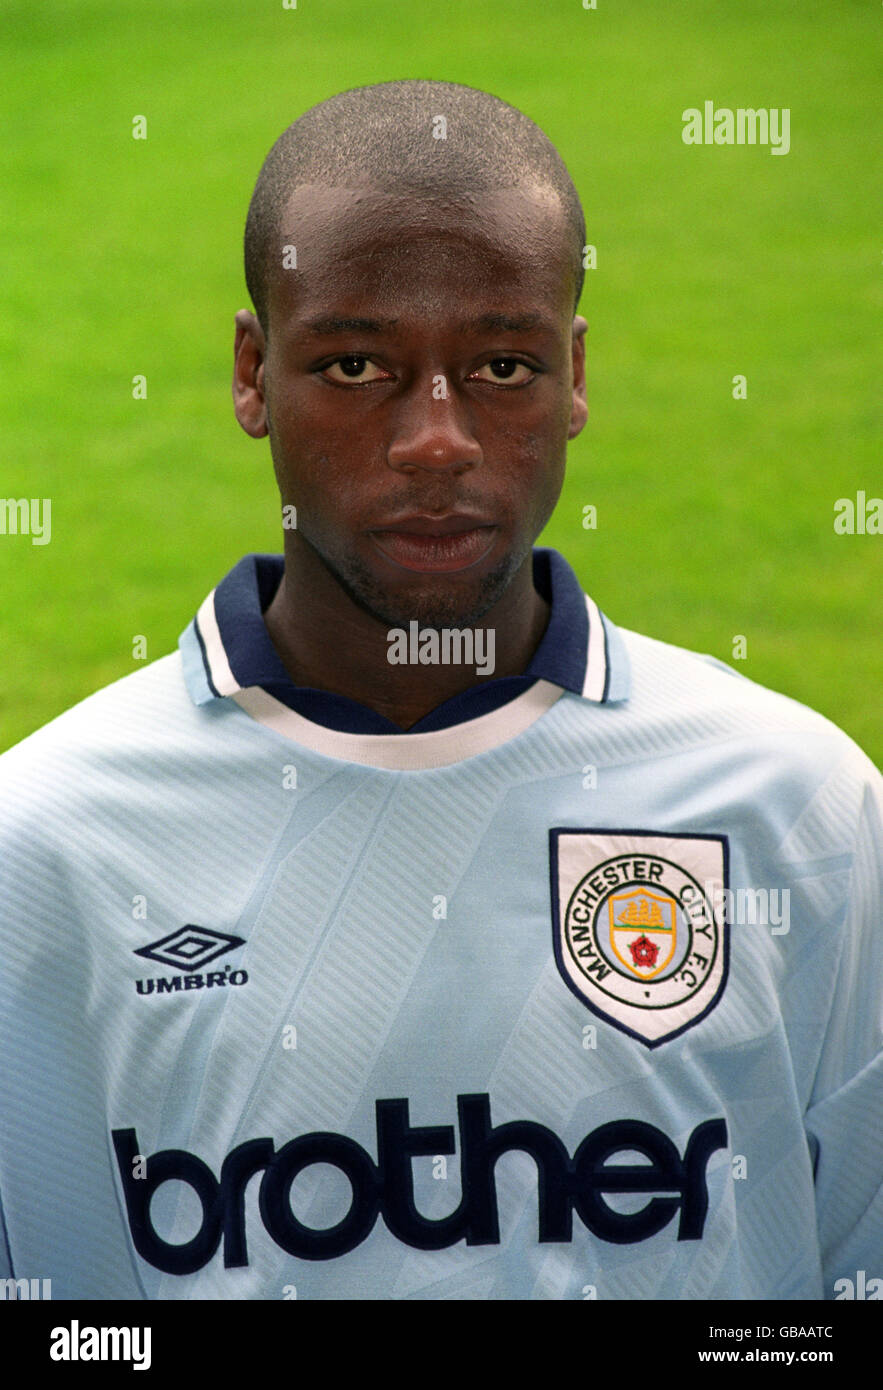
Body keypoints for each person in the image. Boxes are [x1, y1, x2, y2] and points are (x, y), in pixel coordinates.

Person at [0, 80, 879, 1302]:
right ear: (254, 375)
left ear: (573, 376)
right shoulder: (45, 842)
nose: (435, 440)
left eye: (501, 364)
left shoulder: (801, 806)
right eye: (356, 363)